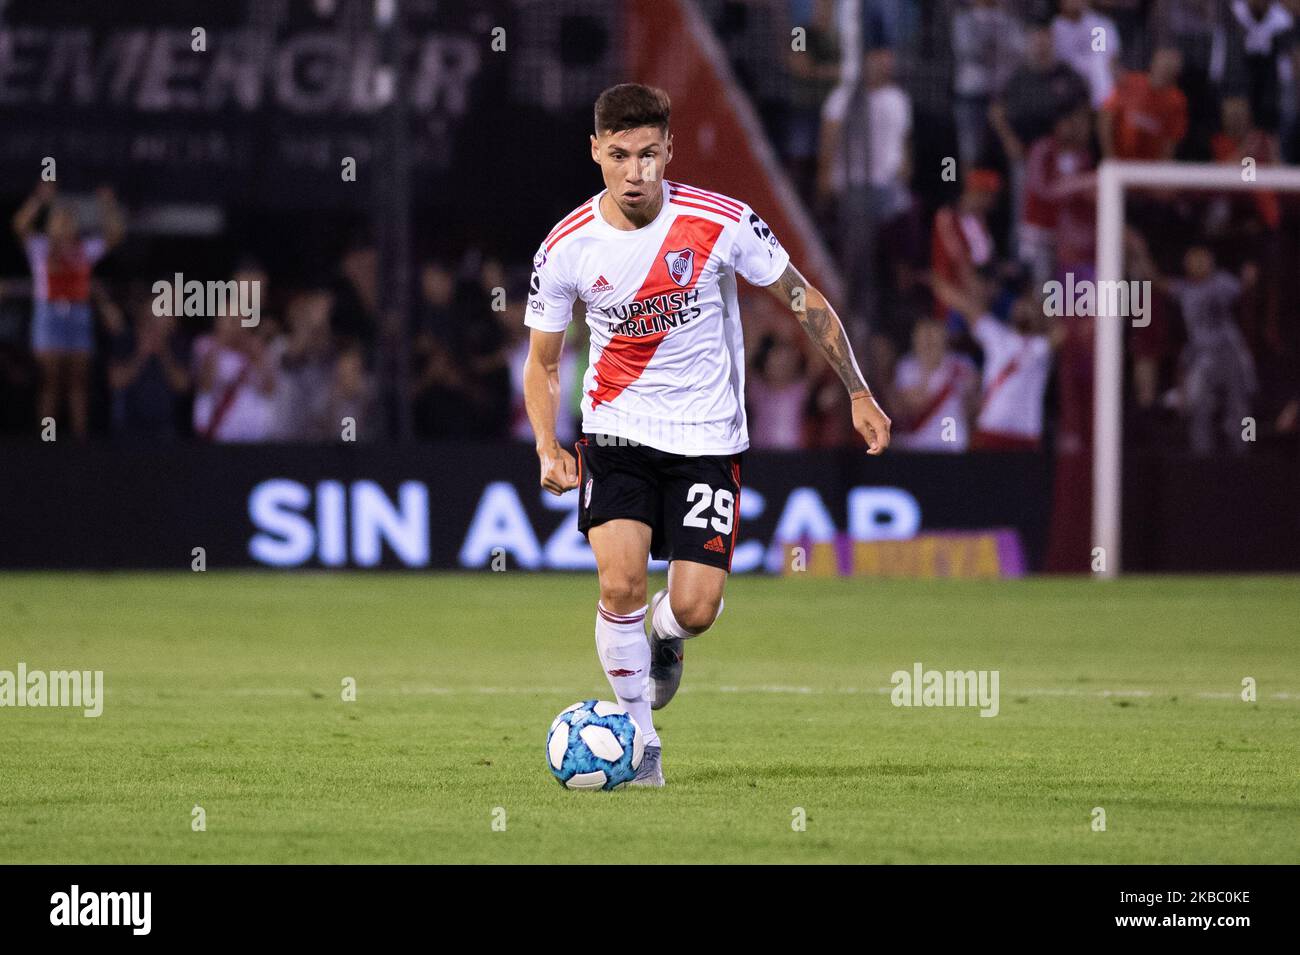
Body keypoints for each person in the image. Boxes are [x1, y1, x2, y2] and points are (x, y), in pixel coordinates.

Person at [522, 84, 890, 787]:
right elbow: (542, 362)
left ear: (670, 151)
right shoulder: (566, 246)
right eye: (621, 155)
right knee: (620, 579)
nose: (637, 172)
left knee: (694, 607)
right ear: (596, 151)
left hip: (707, 437)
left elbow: (803, 300)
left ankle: (663, 636)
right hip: (615, 432)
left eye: (650, 155)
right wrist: (547, 443)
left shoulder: (720, 222)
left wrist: (857, 388)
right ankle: (643, 740)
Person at [12, 182, 125, 440]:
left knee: (78, 380)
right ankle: (48, 437)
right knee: (49, 381)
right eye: (59, 221)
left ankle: (78, 439)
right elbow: (19, 225)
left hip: (78, 314)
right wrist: (38, 200)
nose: (64, 226)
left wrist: (107, 206)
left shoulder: (84, 250)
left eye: (69, 221)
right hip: (49, 313)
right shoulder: (39, 248)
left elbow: (115, 234)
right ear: (51, 225)